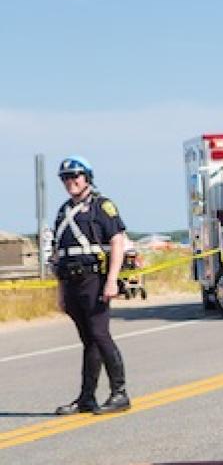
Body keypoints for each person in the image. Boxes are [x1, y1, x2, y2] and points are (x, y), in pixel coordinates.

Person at [50, 156, 132, 414]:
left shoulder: (102, 206)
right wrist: (61, 292)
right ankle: (87, 397)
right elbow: (58, 254)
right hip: (71, 281)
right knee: (89, 339)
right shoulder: (63, 211)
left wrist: (111, 280)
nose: (70, 182)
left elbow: (117, 242)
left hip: (94, 279)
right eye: (65, 178)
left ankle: (120, 392)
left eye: (75, 176)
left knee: (100, 334)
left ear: (87, 177)